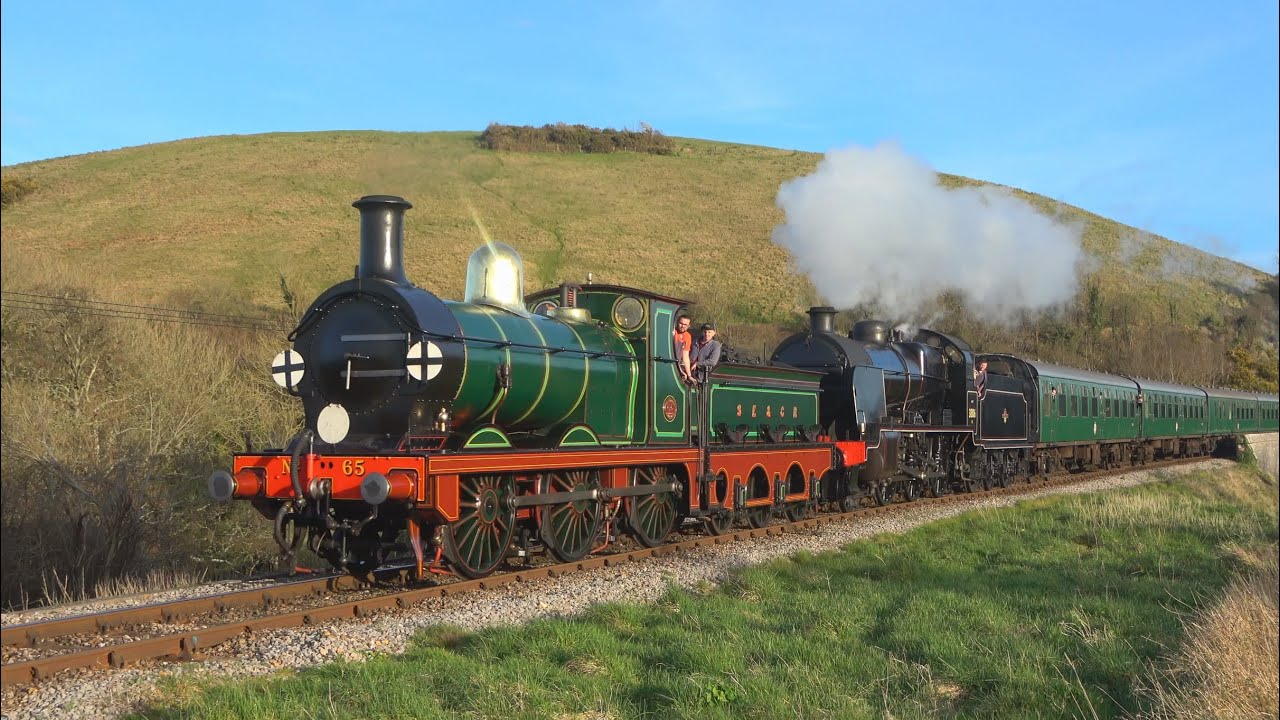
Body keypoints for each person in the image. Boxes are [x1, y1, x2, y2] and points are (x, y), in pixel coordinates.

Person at [672, 314, 693, 384]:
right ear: (677, 323)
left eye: (685, 324)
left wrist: (689, 375)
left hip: (677, 363)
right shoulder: (672, 332)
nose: (683, 326)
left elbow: (685, 357)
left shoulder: (688, 336)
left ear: (688, 326)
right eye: (681, 323)